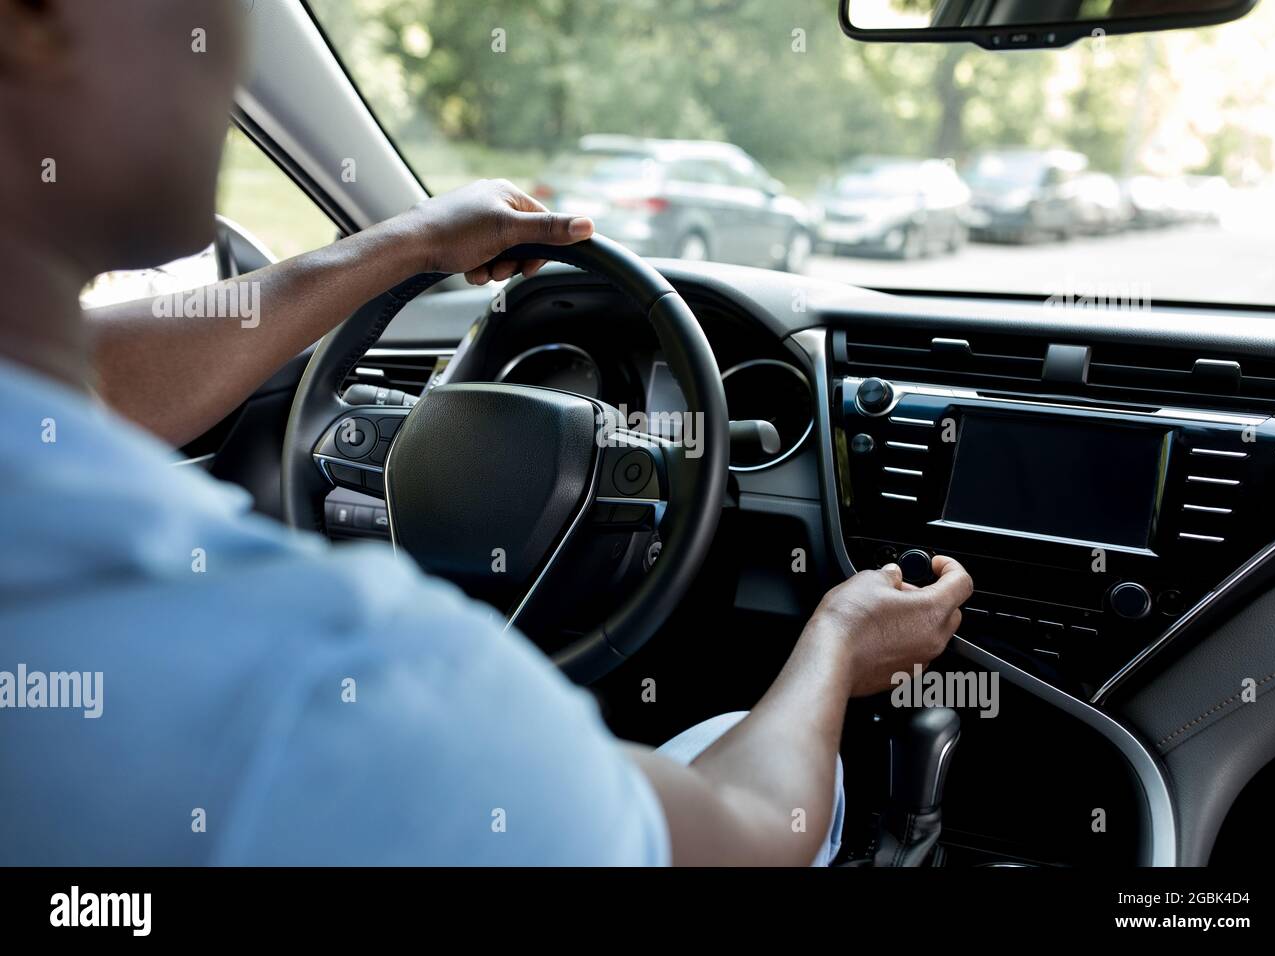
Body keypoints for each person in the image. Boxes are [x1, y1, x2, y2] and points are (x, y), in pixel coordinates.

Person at [0, 0, 972, 865]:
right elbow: (754, 823)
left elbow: (97, 374)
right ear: (31, 18)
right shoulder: (344, 684)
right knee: (749, 743)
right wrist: (840, 642)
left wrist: (411, 242)